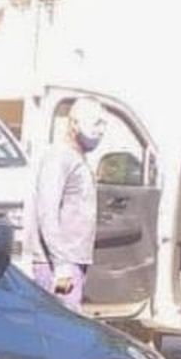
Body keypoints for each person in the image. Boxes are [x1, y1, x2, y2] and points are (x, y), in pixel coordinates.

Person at [29, 97, 106, 313]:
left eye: (103, 125)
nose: (101, 131)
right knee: (57, 327)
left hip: (71, 262)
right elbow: (47, 212)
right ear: (74, 124)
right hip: (58, 266)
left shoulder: (75, 158)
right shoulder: (59, 157)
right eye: (96, 123)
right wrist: (61, 265)